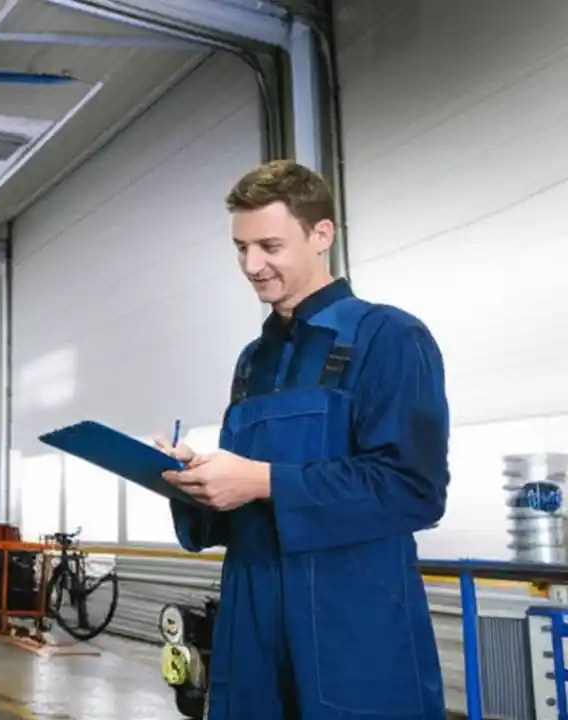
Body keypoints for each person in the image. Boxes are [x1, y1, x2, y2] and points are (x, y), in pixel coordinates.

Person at [157, 160, 450, 719]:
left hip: (353, 620)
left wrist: (262, 480)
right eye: (240, 248)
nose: (251, 265)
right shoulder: (253, 361)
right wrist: (192, 479)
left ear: (321, 235)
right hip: (251, 618)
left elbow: (414, 487)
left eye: (269, 245)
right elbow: (233, 505)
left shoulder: (388, 337)